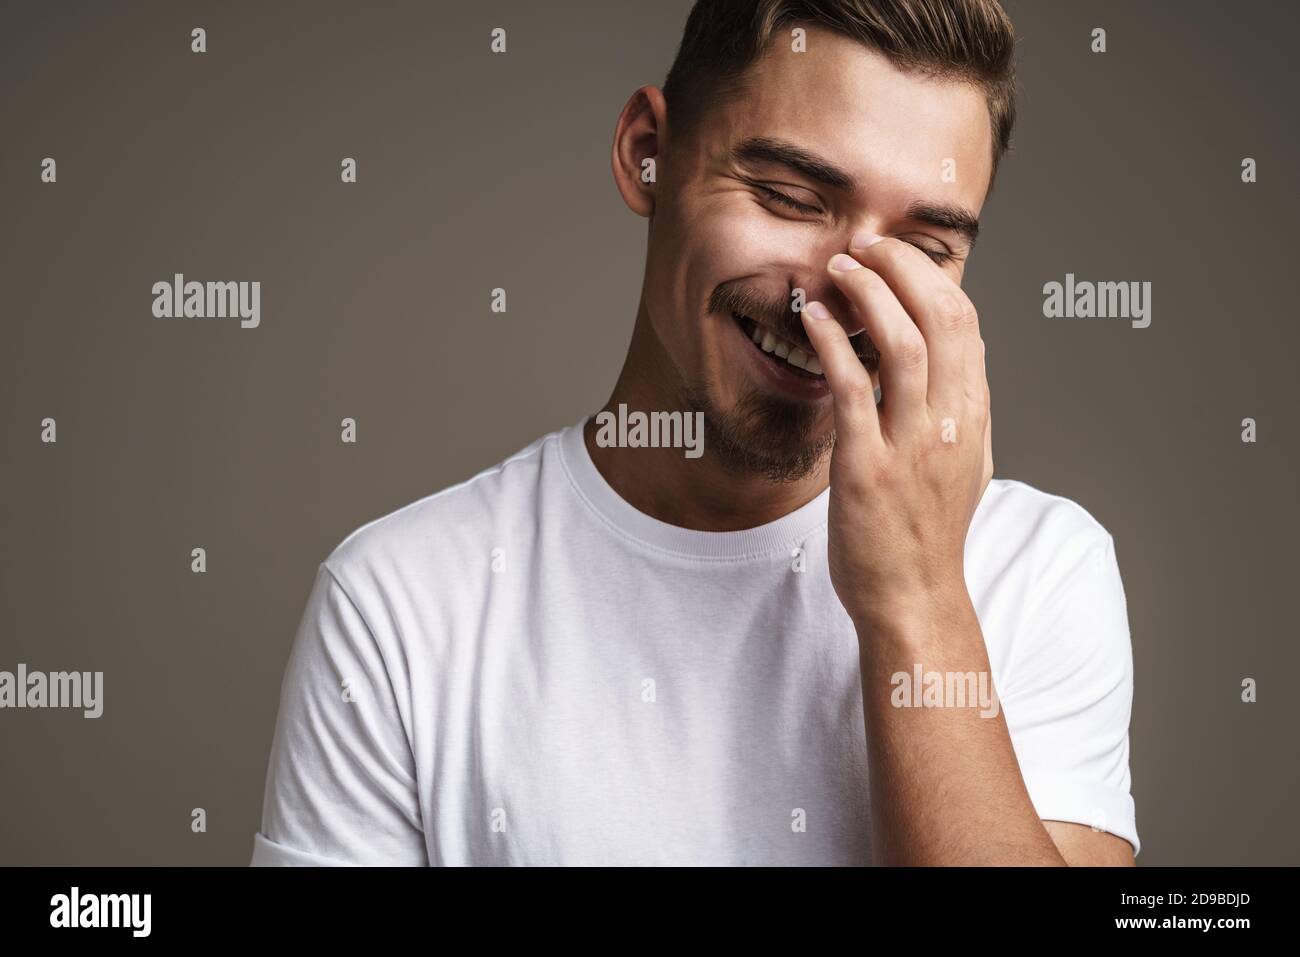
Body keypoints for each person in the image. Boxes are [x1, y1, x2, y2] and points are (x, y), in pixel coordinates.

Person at [253, 0, 1138, 866]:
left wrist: (915, 602)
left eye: (925, 249)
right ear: (648, 158)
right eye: (790, 197)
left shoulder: (1040, 570)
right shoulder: (398, 606)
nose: (842, 294)